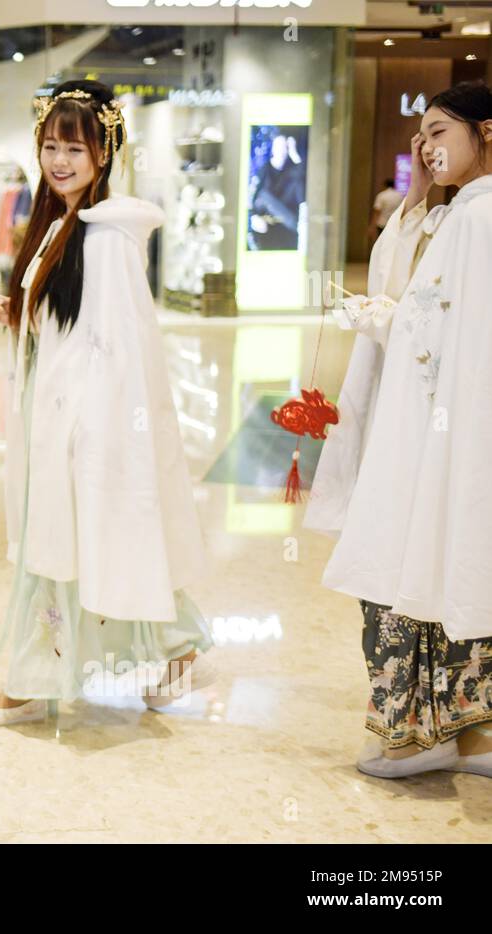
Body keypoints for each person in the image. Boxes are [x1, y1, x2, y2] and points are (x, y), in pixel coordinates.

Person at [0, 80, 215, 728]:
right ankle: (172, 650)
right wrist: (20, 312)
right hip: (55, 418)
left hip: (78, 424)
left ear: (104, 152)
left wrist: (86, 429)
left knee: (74, 545)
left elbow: (118, 347)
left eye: (74, 147)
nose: (59, 161)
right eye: (50, 145)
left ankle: (30, 681)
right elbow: (68, 327)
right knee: (89, 544)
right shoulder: (60, 225)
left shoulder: (104, 236)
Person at [306, 80, 492, 779]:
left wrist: (378, 319)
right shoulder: (455, 214)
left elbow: (429, 329)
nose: (426, 145)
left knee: (405, 562)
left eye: (441, 132)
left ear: (486, 133)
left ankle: (418, 736)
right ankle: (453, 735)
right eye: (420, 135)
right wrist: (417, 193)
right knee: (442, 561)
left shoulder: (478, 217)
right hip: (437, 424)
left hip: (431, 428)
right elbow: (406, 286)